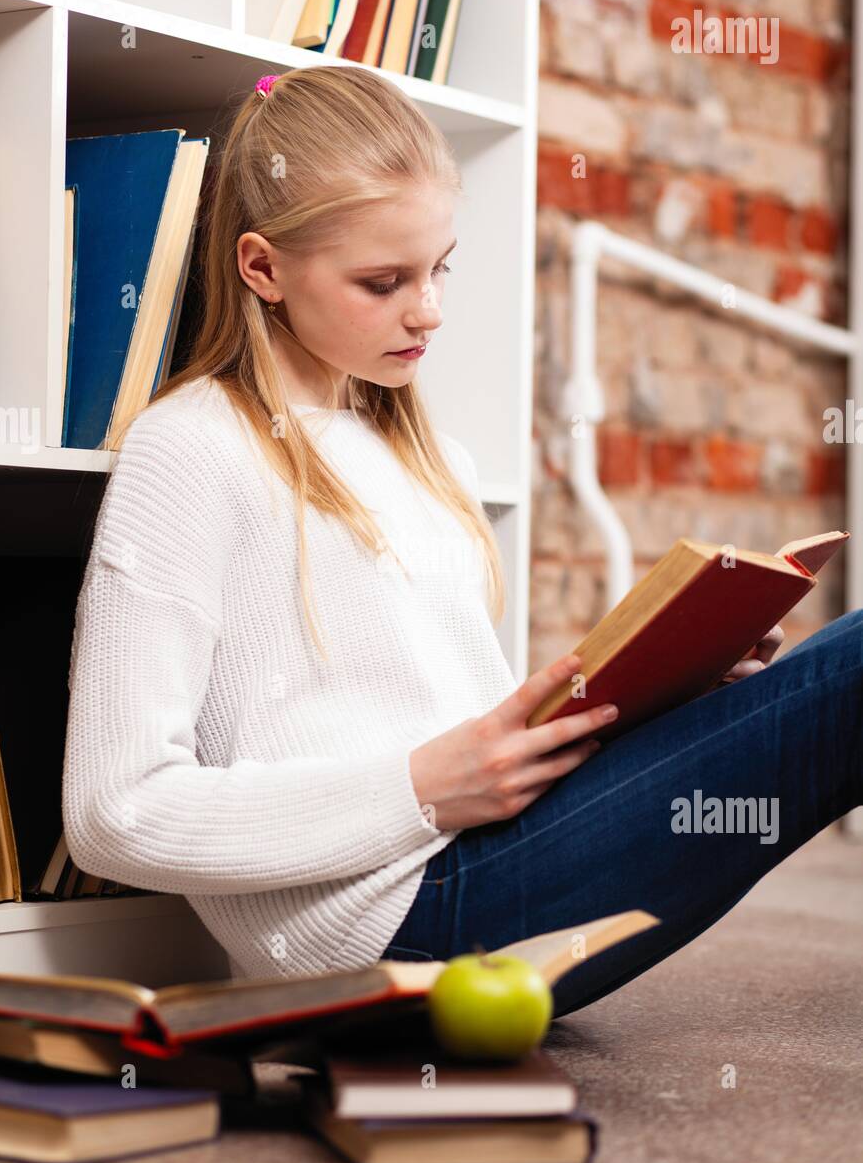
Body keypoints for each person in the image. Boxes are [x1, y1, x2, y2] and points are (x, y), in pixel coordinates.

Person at [62, 66, 861, 1015]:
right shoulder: (190, 449)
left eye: (439, 269)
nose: (428, 309)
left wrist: (668, 694)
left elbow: (462, 740)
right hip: (399, 925)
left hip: (477, 855)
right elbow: (112, 813)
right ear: (262, 268)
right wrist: (419, 792)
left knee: (808, 686)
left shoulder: (422, 449)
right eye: (383, 281)